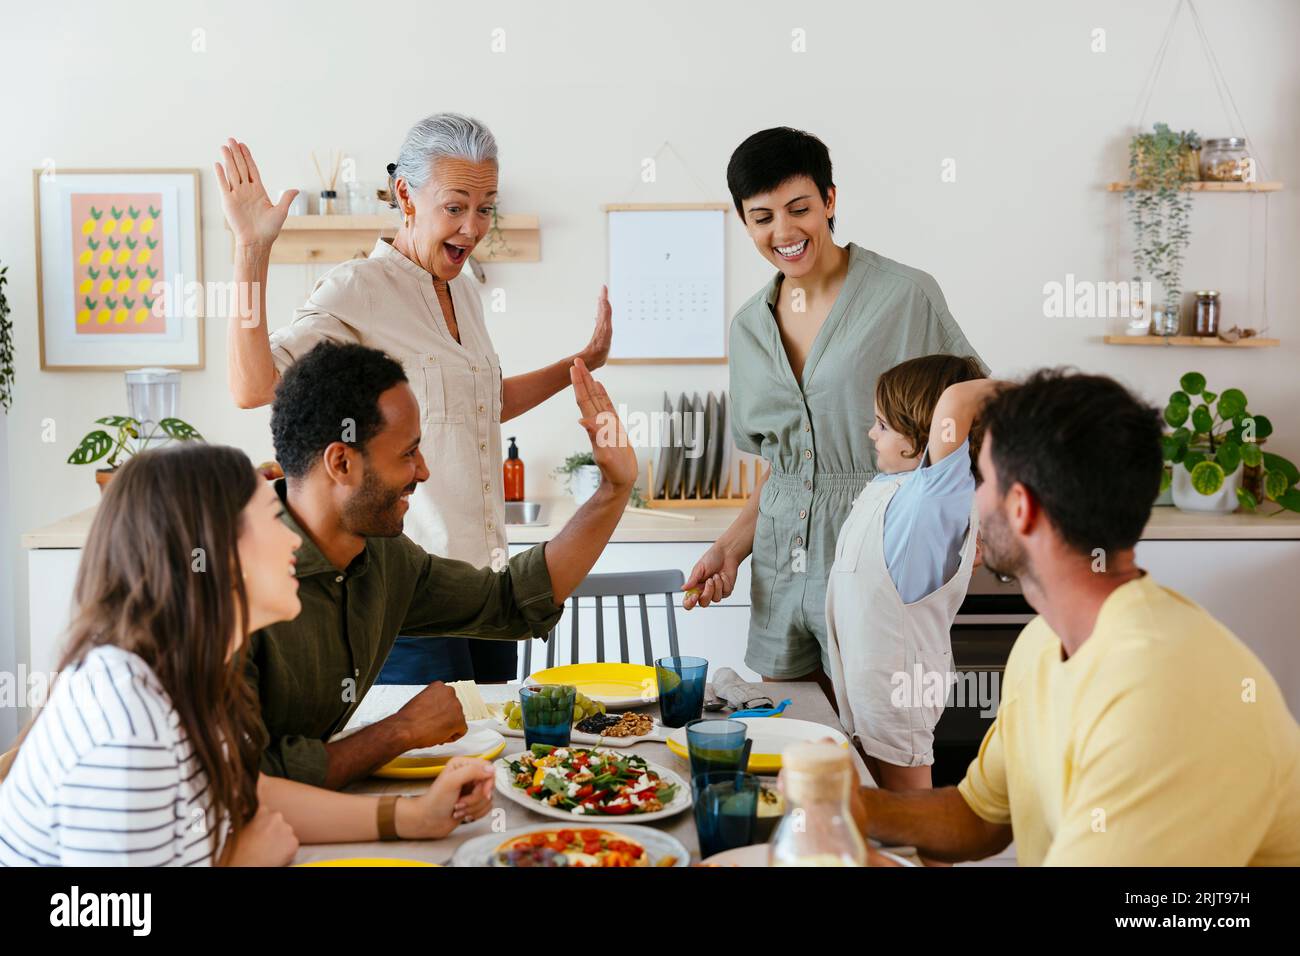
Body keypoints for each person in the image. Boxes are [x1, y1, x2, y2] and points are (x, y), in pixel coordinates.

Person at [217, 113, 613, 686]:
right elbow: (252, 386)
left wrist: (580, 363)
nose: (472, 227)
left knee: (490, 760)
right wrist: (251, 250)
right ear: (406, 194)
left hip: (485, 593)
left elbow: (482, 404)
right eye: (455, 207)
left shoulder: (466, 290)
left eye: (486, 207)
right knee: (421, 765)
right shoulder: (359, 288)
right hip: (412, 596)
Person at [849, 370, 1300, 865]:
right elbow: (977, 815)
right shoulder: (1045, 641)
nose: (974, 499)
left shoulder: (1159, 695)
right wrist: (837, 805)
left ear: (1021, 508)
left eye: (982, 479)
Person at [0, 445, 496, 867]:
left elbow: (246, 791)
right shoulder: (129, 726)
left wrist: (412, 817)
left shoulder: (191, 675)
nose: (293, 538)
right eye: (269, 520)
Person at [682, 127, 985, 702]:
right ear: (744, 222)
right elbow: (790, 469)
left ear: (830, 201)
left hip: (876, 554)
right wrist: (729, 548)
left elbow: (980, 410)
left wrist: (970, 531)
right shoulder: (749, 327)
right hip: (779, 570)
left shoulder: (904, 297)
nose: (784, 232)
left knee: (879, 747)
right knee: (790, 749)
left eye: (799, 209)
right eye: (762, 217)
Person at [248, 340, 636, 789]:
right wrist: (400, 731)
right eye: (408, 453)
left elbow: (509, 600)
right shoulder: (230, 581)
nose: (424, 471)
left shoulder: (384, 557)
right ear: (341, 462)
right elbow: (247, 778)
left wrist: (613, 489)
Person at [826, 355, 997, 793]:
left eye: (882, 425)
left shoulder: (932, 494)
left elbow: (958, 399)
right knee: (883, 812)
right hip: (868, 684)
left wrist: (1032, 393)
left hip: (899, 688)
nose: (871, 433)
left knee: (915, 811)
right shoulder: (892, 488)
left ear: (922, 435)